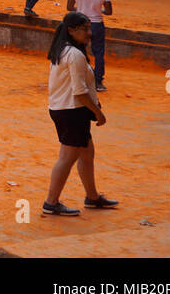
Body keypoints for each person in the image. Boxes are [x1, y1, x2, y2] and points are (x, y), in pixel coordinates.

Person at [44, 12, 118, 216]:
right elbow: (80, 91)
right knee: (68, 157)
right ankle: (51, 202)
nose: (89, 32)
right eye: (84, 29)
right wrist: (98, 112)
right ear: (71, 30)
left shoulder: (62, 50)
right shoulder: (75, 55)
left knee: (86, 152)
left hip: (64, 108)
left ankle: (92, 197)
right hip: (72, 110)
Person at [68, 0, 113, 92]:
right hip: (97, 24)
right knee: (99, 53)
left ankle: (78, 78)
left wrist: (82, 10)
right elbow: (109, 11)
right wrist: (99, 10)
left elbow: (69, 7)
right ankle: (98, 81)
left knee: (78, 51)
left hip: (81, 23)